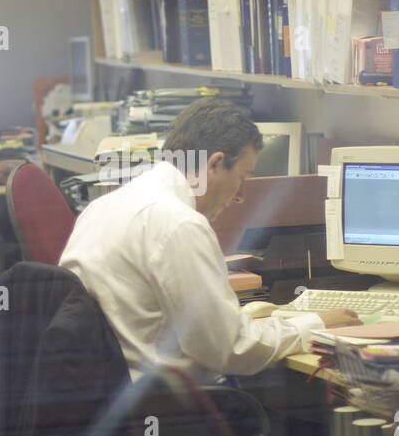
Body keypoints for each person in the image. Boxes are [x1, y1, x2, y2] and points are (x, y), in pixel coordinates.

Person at [60, 98, 357, 382]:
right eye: (243, 177)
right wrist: (316, 325)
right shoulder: (178, 224)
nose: (241, 195)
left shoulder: (104, 206)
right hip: (170, 407)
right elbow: (230, 349)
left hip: (115, 397)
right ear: (215, 164)